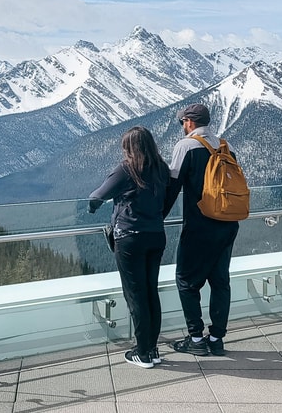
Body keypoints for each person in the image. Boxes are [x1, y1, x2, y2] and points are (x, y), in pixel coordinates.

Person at [88, 126, 169, 368]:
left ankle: (142, 352)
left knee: (135, 295)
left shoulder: (127, 169)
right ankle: (152, 349)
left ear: (130, 148)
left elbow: (97, 196)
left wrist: (93, 208)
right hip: (156, 235)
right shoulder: (161, 168)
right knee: (150, 292)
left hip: (130, 238)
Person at [163, 103, 240, 357]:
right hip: (227, 224)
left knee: (186, 281)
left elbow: (172, 187)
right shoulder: (224, 147)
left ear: (189, 122)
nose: (182, 127)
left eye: (182, 122)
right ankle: (217, 339)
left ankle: (195, 338)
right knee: (220, 281)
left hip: (199, 226)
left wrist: (156, 216)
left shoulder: (186, 146)